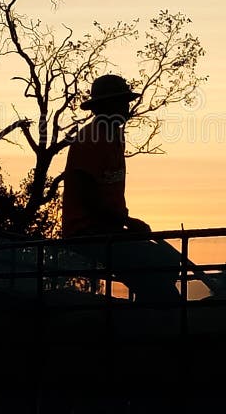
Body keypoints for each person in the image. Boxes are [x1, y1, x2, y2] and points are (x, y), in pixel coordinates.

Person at [62, 74, 181, 303]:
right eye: (121, 103)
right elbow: (89, 197)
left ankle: (152, 308)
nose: (126, 109)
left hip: (108, 230)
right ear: (104, 107)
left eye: (125, 102)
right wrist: (128, 222)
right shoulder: (91, 139)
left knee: (164, 260)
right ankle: (156, 313)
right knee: (153, 266)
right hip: (87, 233)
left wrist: (125, 224)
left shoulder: (114, 136)